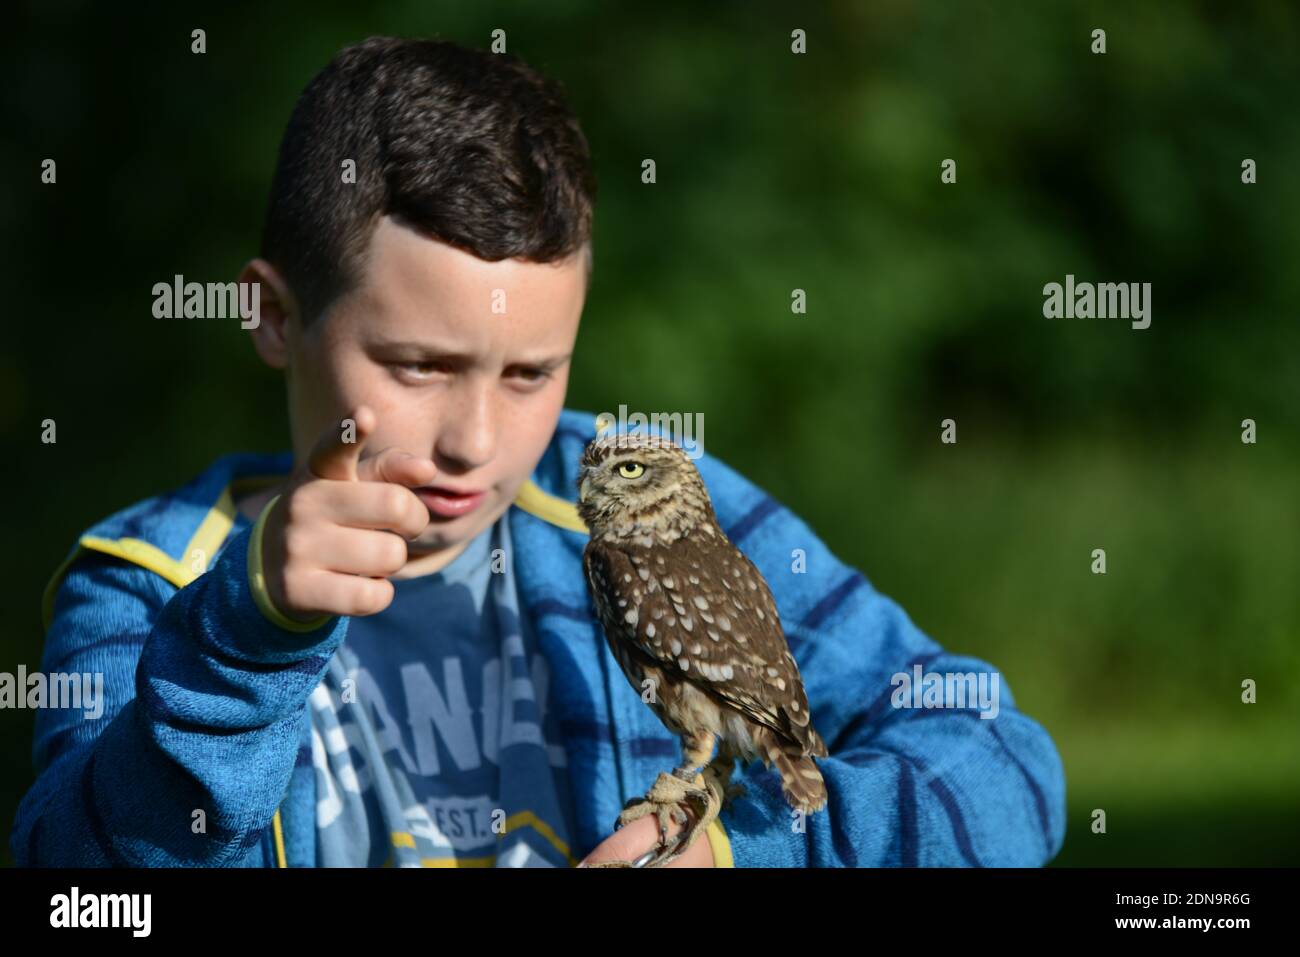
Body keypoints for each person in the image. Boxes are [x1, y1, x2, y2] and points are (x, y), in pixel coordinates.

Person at [11, 36, 1066, 868]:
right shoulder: (154, 589)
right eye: (418, 364)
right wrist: (242, 646)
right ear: (276, 317)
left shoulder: (630, 507)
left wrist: (740, 852)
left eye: (529, 375)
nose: (475, 440)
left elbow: (1008, 767)